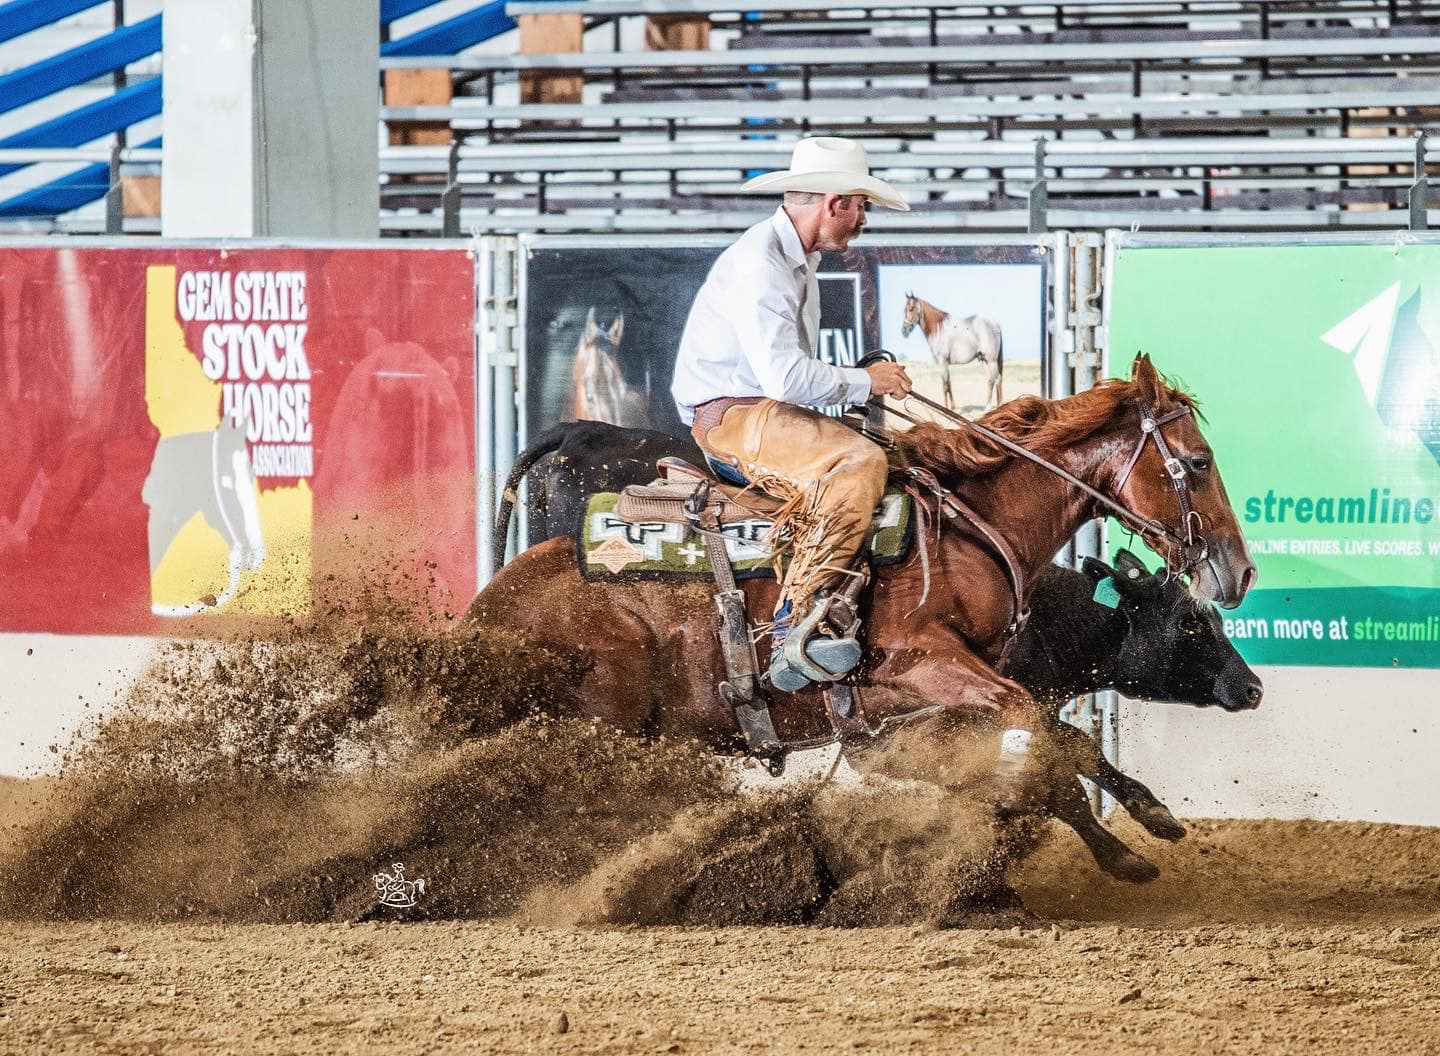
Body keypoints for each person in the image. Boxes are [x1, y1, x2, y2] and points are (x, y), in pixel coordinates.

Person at [671, 136, 915, 693]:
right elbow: (785, 378)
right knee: (856, 462)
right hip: (735, 417)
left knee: (907, 458)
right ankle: (795, 625)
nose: (863, 221)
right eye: (861, 206)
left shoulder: (789, 258)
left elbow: (787, 375)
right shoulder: (763, 264)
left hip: (756, 409)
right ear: (836, 204)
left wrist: (855, 381)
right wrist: (866, 380)